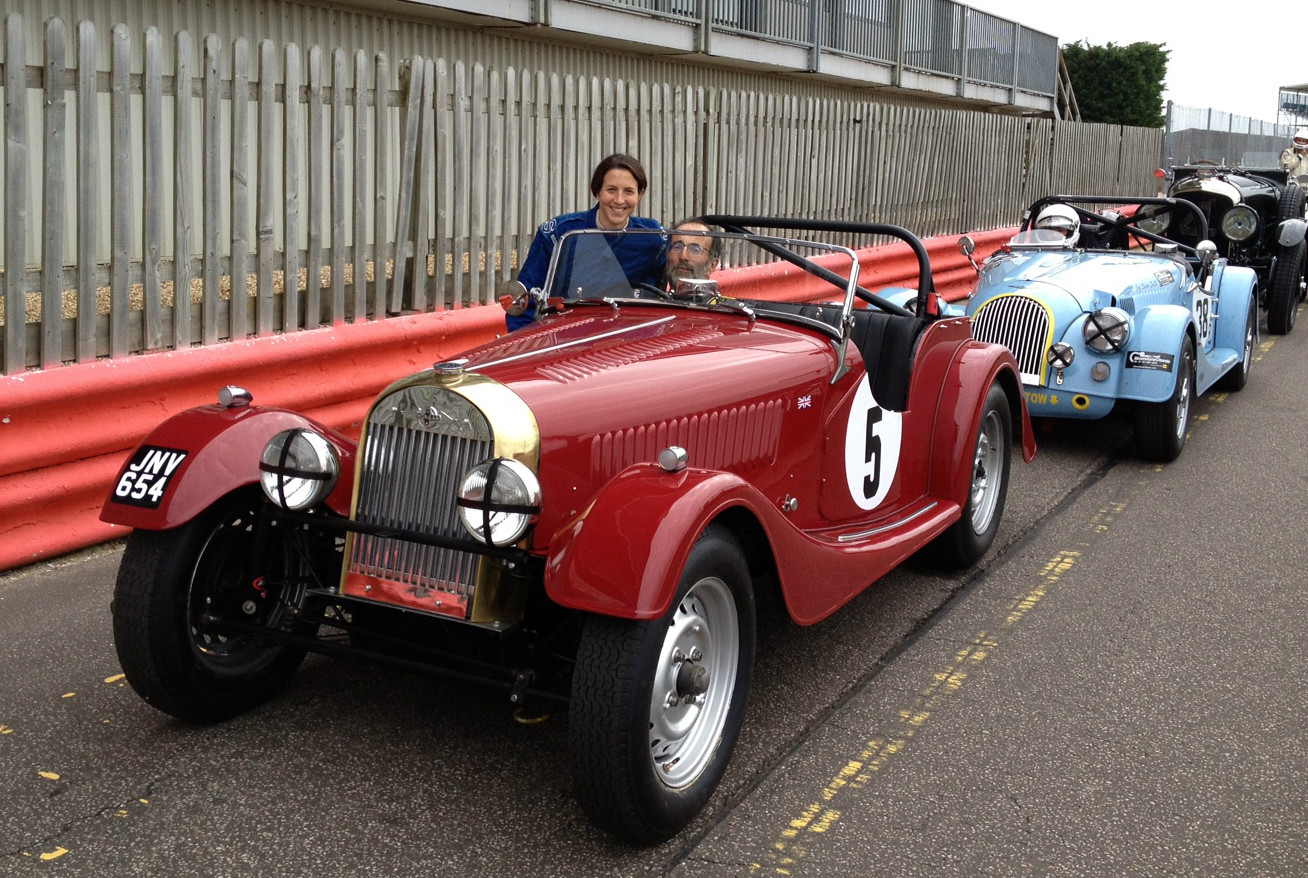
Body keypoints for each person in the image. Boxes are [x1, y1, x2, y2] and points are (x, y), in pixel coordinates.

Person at [508, 154, 665, 331]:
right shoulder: (558, 232)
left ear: (640, 194)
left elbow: (674, 283)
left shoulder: (653, 236)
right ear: (597, 191)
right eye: (611, 190)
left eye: (628, 191)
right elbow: (525, 299)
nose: (619, 200)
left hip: (628, 336)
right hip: (563, 336)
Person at [663, 218, 722, 290]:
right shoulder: (650, 299)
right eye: (677, 247)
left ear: (712, 265)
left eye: (695, 250)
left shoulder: (721, 301)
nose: (683, 256)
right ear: (667, 254)